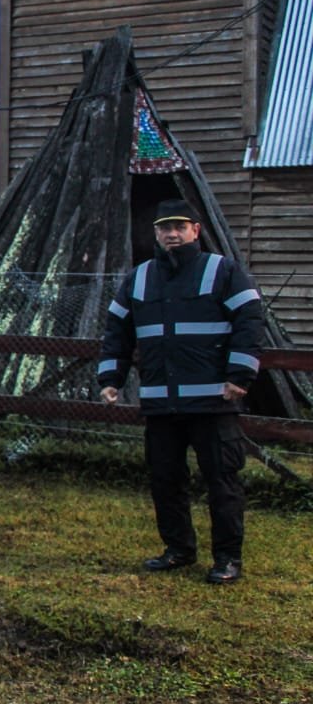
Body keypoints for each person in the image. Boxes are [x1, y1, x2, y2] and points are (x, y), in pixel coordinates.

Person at [99, 198, 264, 584]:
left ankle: (227, 559)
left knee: (222, 482)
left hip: (213, 401)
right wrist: (110, 379)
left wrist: (241, 374)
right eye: (164, 228)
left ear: (195, 230)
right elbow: (115, 332)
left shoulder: (222, 270)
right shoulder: (138, 277)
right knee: (165, 480)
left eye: (179, 227)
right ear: (156, 233)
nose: (171, 234)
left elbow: (250, 319)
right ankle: (178, 550)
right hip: (161, 403)